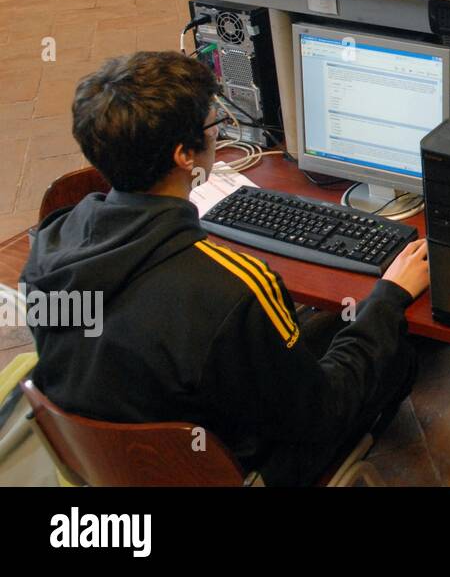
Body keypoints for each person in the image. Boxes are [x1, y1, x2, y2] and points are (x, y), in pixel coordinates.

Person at [21, 51, 428, 486]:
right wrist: (389, 297)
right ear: (183, 155)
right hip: (235, 472)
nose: (220, 133)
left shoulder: (52, 239)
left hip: (107, 462)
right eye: (214, 125)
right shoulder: (233, 288)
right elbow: (322, 414)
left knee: (325, 328)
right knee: (396, 352)